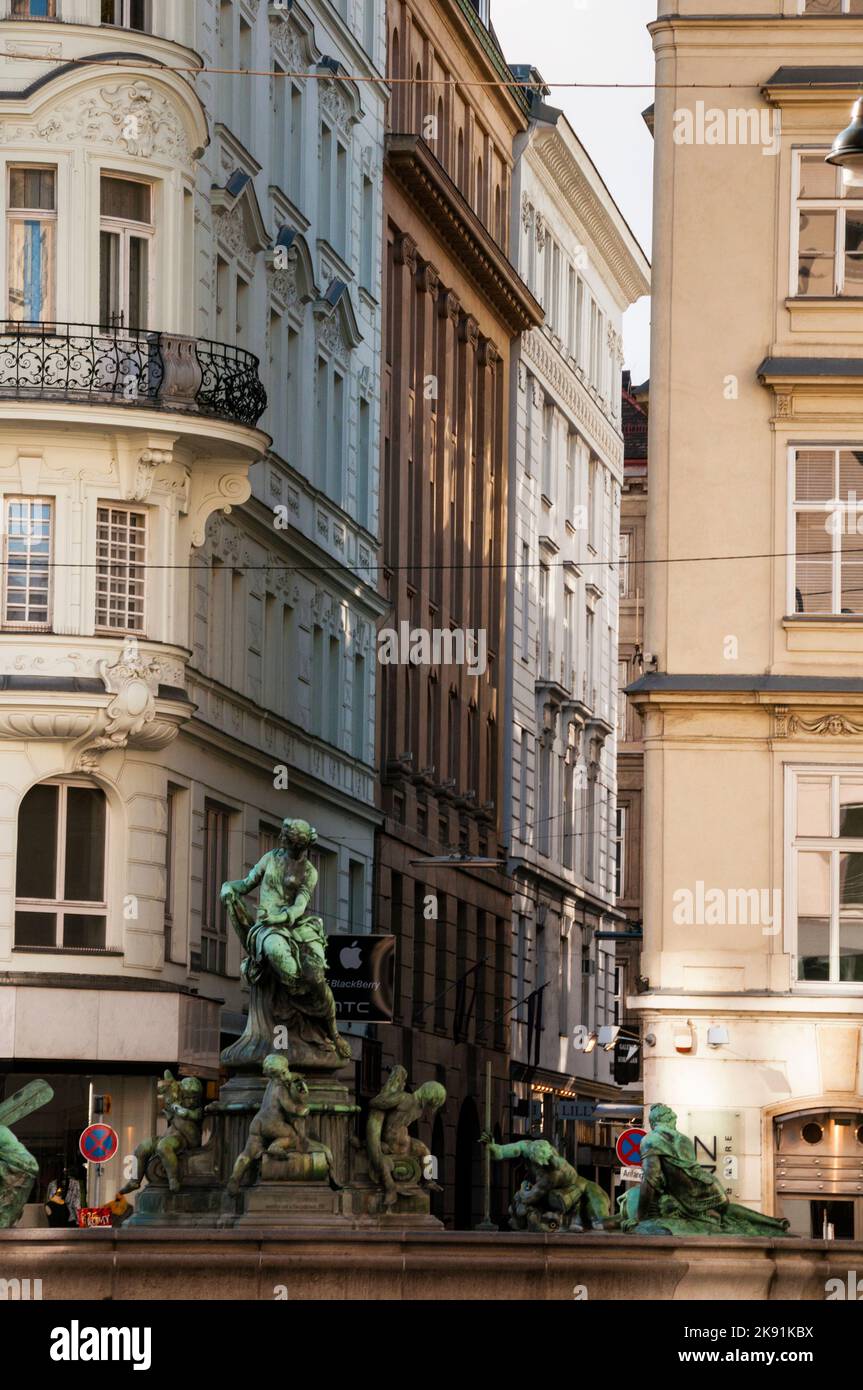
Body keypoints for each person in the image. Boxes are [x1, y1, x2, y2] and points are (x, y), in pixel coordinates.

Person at [220, 818, 350, 1061]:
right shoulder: (270, 858)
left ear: (298, 845)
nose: (280, 840)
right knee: (283, 961)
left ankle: (331, 1031)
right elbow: (247, 883)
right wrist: (229, 887)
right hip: (268, 927)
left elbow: (301, 903)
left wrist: (284, 916)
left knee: (317, 973)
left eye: (285, 838)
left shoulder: (309, 871)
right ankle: (292, 1014)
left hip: (296, 925)